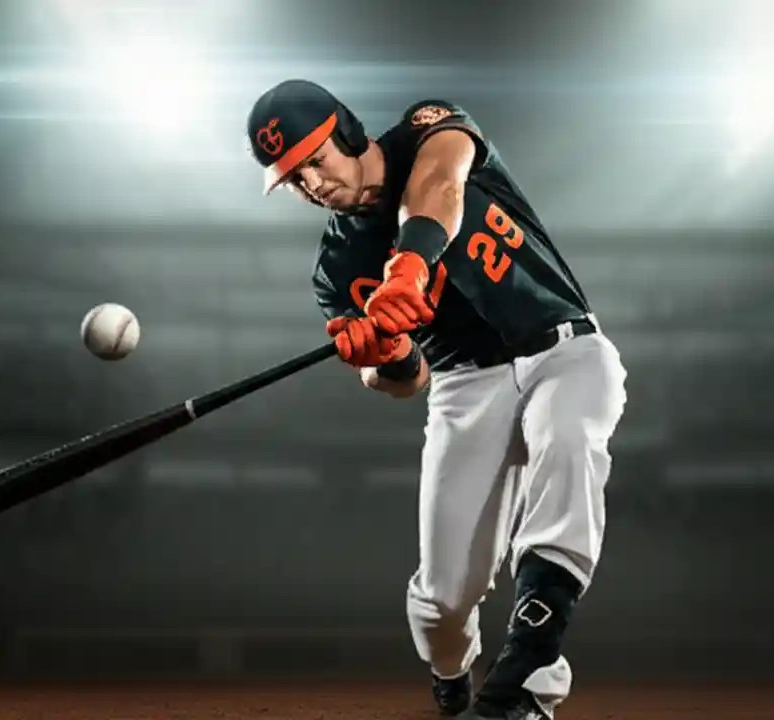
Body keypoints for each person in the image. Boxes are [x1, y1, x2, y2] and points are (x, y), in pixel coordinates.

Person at [247, 79, 628, 720]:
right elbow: (406, 381)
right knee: (444, 599)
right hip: (462, 384)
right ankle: (451, 676)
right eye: (293, 177)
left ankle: (529, 674)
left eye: (315, 159)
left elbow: (441, 185)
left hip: (562, 345)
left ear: (345, 130)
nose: (310, 182)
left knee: (569, 438)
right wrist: (386, 356)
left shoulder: (427, 127)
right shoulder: (335, 269)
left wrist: (410, 265)